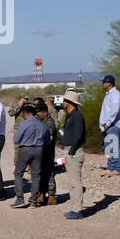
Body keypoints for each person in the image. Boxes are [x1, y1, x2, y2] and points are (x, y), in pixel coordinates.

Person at [11, 104, 49, 208]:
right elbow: (47, 141)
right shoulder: (42, 124)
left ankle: (20, 199)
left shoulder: (24, 124)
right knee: (36, 176)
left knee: (18, 173)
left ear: (26, 113)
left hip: (26, 149)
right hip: (39, 149)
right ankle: (33, 201)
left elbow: (16, 140)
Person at [60, 90, 87, 219]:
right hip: (70, 151)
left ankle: (77, 210)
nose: (63, 102)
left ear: (70, 102)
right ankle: (74, 208)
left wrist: (71, 151)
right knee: (72, 181)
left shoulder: (76, 116)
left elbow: (78, 135)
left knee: (75, 182)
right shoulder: (71, 115)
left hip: (74, 152)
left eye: (65, 100)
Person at [98, 74, 120, 175]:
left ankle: (118, 169)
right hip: (108, 125)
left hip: (112, 125)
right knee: (109, 147)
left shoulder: (115, 95)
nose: (102, 84)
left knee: (114, 147)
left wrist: (107, 123)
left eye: (104, 82)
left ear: (109, 83)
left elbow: (115, 110)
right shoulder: (109, 94)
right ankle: (111, 167)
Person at [34, 99, 59, 206]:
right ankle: (41, 194)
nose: (37, 114)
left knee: (49, 174)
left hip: (48, 152)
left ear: (44, 111)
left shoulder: (50, 122)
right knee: (40, 174)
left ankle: (52, 195)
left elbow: (48, 135)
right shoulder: (39, 121)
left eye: (39, 112)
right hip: (40, 152)